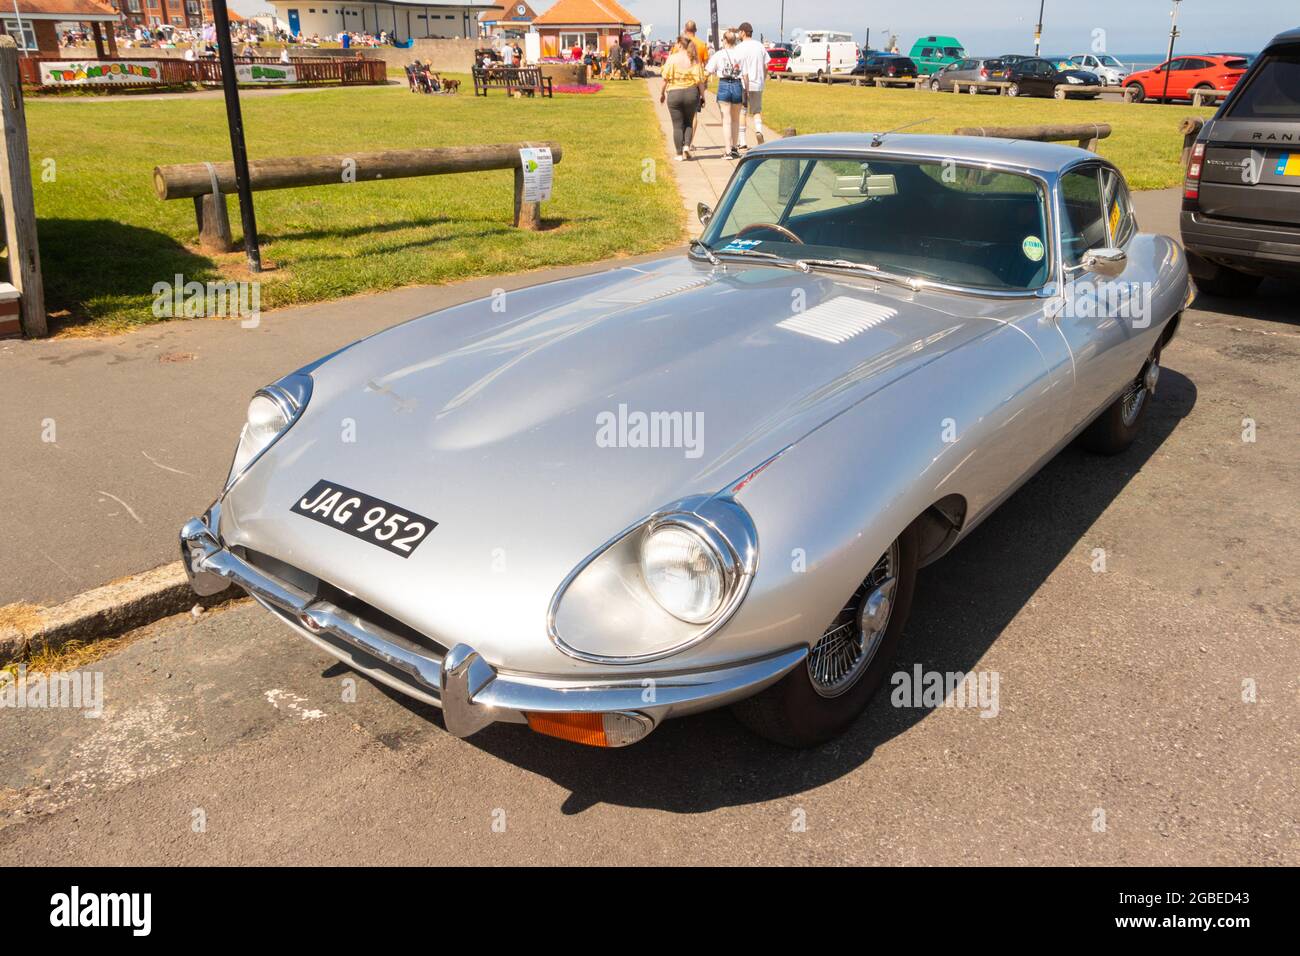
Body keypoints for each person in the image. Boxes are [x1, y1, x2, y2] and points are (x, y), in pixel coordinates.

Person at [660, 37, 706, 161]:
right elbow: (700, 81)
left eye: (676, 43)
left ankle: (679, 154)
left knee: (677, 125)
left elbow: (665, 78)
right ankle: (686, 146)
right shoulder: (694, 59)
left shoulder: (672, 58)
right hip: (691, 93)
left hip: (674, 93)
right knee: (688, 122)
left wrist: (662, 93)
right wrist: (703, 96)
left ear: (680, 45)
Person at [706, 30, 745, 160]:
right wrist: (747, 91)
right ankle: (734, 148)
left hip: (724, 85)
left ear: (724, 40)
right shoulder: (741, 55)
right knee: (736, 119)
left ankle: (727, 150)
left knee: (726, 120)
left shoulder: (719, 54)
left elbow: (708, 71)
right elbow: (745, 74)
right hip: (737, 84)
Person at [734, 22, 770, 148]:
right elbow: (767, 65)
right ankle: (759, 130)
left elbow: (736, 66)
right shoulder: (760, 46)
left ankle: (743, 141)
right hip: (758, 83)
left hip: (743, 84)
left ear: (743, 32)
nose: (738, 34)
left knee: (743, 111)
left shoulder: (739, 48)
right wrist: (763, 78)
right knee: (756, 111)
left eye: (739, 32)